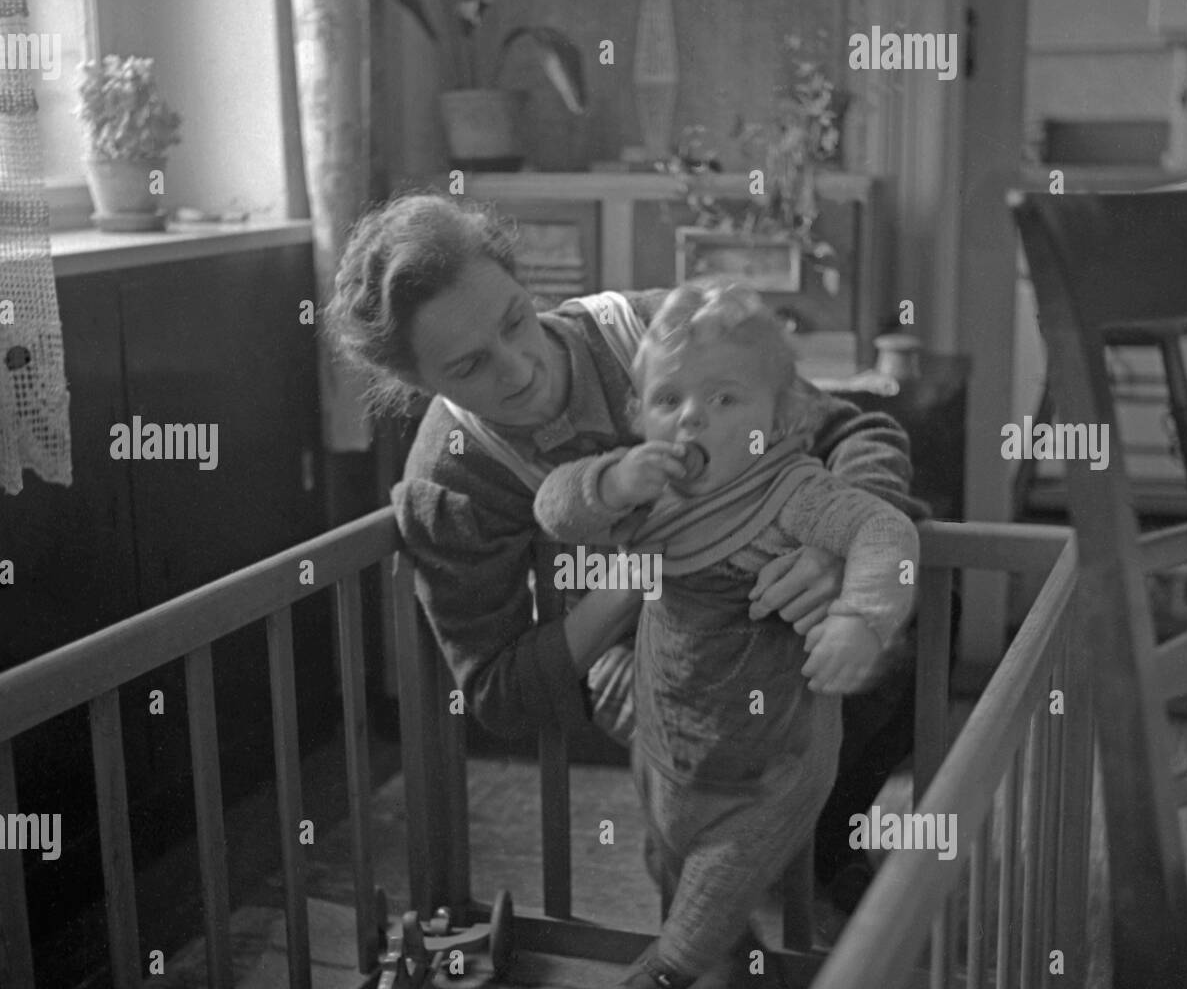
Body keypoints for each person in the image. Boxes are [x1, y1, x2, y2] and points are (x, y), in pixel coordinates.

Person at [324, 191, 926, 937]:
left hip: (771, 583)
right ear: (421, 386)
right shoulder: (448, 481)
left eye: (516, 320)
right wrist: (634, 582)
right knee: (716, 714)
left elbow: (855, 430)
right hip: (637, 649)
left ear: (525, 284)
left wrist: (836, 547)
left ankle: (819, 840)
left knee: (918, 615)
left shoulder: (654, 332)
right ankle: (714, 896)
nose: (519, 371)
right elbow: (498, 689)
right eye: (470, 365)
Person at [532, 279, 920, 989]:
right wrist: (608, 480)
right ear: (641, 413)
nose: (691, 419)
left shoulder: (792, 493)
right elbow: (556, 510)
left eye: (725, 400)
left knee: (722, 867)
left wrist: (859, 621)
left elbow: (886, 536)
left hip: (775, 751)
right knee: (666, 847)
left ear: (780, 420)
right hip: (671, 728)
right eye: (668, 399)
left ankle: (661, 976)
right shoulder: (651, 490)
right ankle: (734, 960)